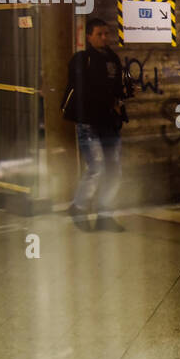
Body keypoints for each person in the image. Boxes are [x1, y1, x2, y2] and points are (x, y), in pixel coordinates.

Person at [62, 17, 132, 232]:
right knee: (97, 167)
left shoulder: (113, 58)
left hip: (109, 122)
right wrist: (109, 99)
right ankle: (79, 207)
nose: (104, 38)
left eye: (106, 34)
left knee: (113, 169)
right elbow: (84, 89)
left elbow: (118, 87)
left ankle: (104, 215)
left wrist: (125, 94)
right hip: (89, 122)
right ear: (89, 36)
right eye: (99, 34)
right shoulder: (82, 59)